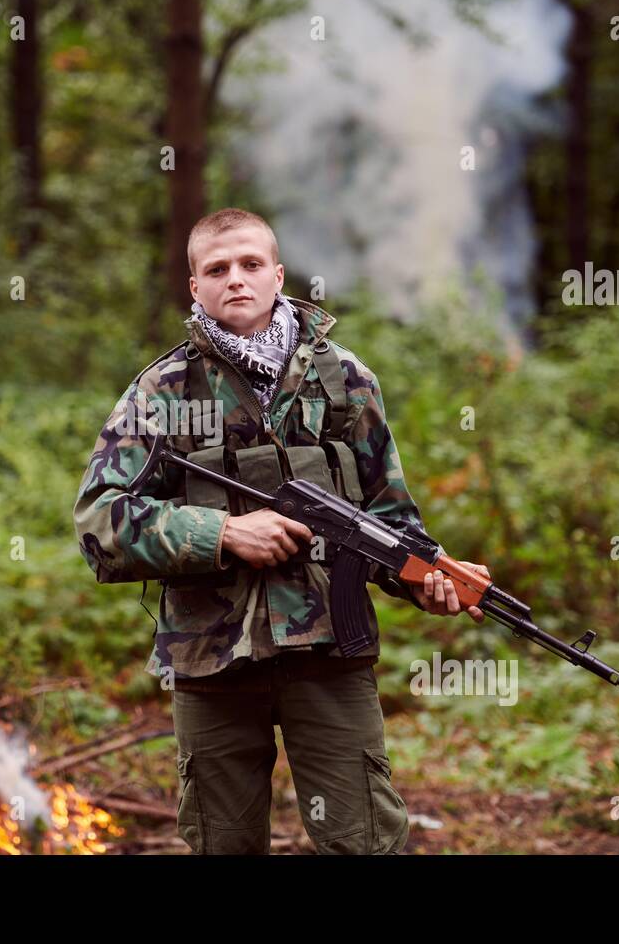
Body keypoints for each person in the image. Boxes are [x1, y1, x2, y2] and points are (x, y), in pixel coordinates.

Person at [73, 207, 489, 854]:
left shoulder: (346, 381)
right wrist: (221, 534)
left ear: (278, 273)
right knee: (224, 842)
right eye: (217, 269)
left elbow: (389, 518)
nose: (235, 279)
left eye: (250, 264)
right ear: (195, 286)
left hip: (330, 655)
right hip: (213, 664)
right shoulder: (162, 392)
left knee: (366, 841)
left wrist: (429, 578)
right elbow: (101, 521)